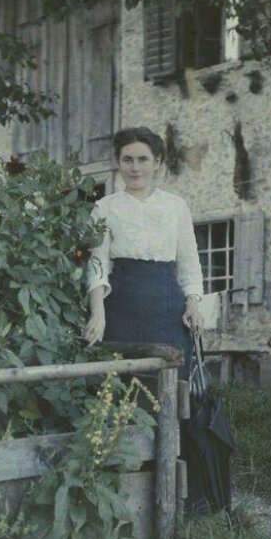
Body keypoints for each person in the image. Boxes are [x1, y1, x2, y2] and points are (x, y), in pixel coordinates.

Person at [83, 127, 204, 379]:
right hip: (119, 306)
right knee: (118, 381)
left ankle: (173, 420)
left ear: (157, 162)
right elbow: (98, 264)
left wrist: (193, 304)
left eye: (143, 159)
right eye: (127, 160)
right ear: (119, 163)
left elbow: (189, 263)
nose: (135, 168)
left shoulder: (175, 207)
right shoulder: (105, 208)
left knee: (169, 381)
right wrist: (98, 313)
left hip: (167, 307)